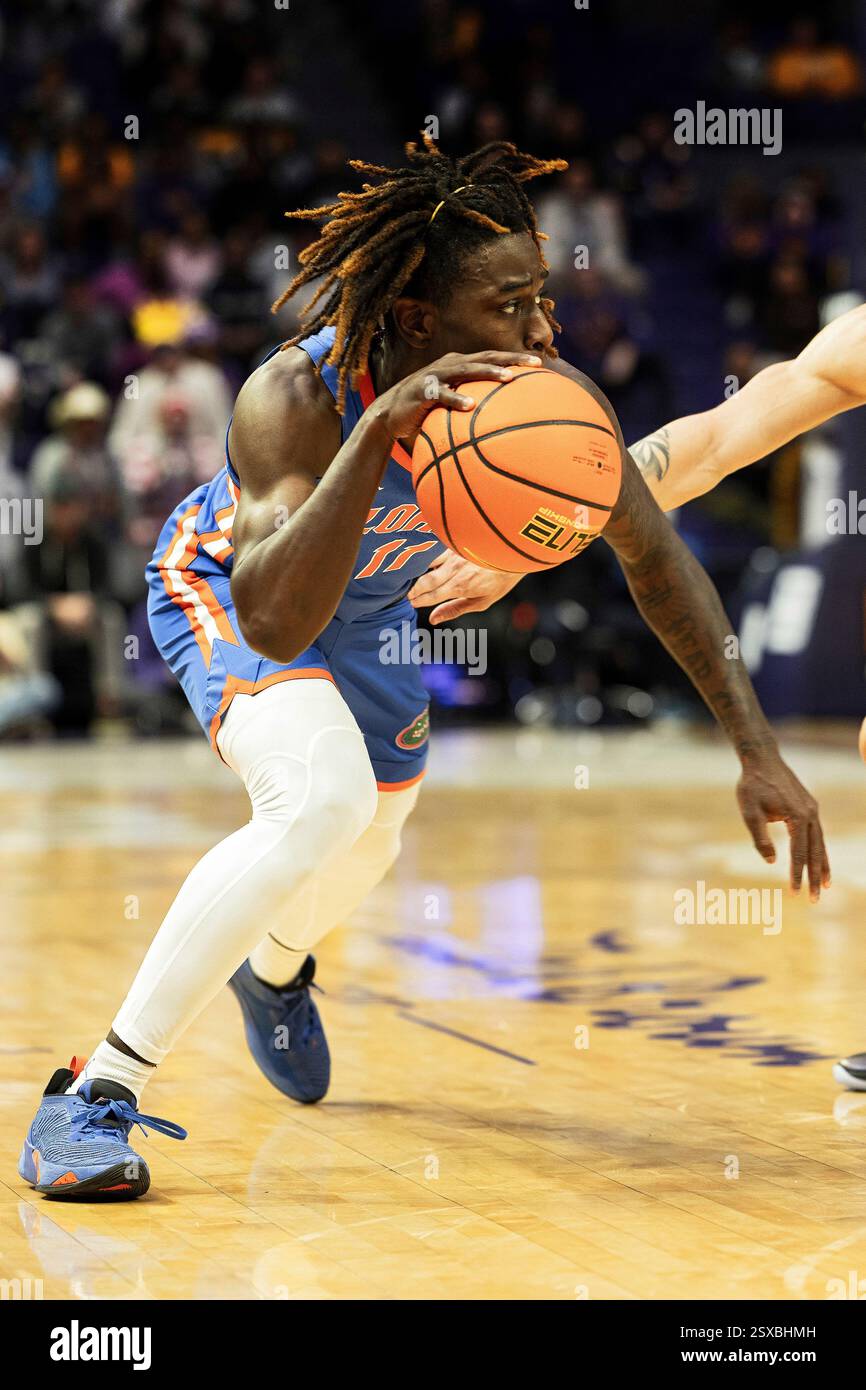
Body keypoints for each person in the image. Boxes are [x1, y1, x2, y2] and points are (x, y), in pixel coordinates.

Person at [18, 137, 828, 1201]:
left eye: (540, 299)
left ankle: (274, 969)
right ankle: (93, 1090)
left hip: (363, 609)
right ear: (414, 321)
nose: (540, 329)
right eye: (508, 306)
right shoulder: (291, 398)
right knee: (319, 798)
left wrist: (754, 749)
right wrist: (378, 437)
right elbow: (269, 613)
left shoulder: (547, 401)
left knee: (377, 829)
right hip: (234, 584)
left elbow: (656, 562)